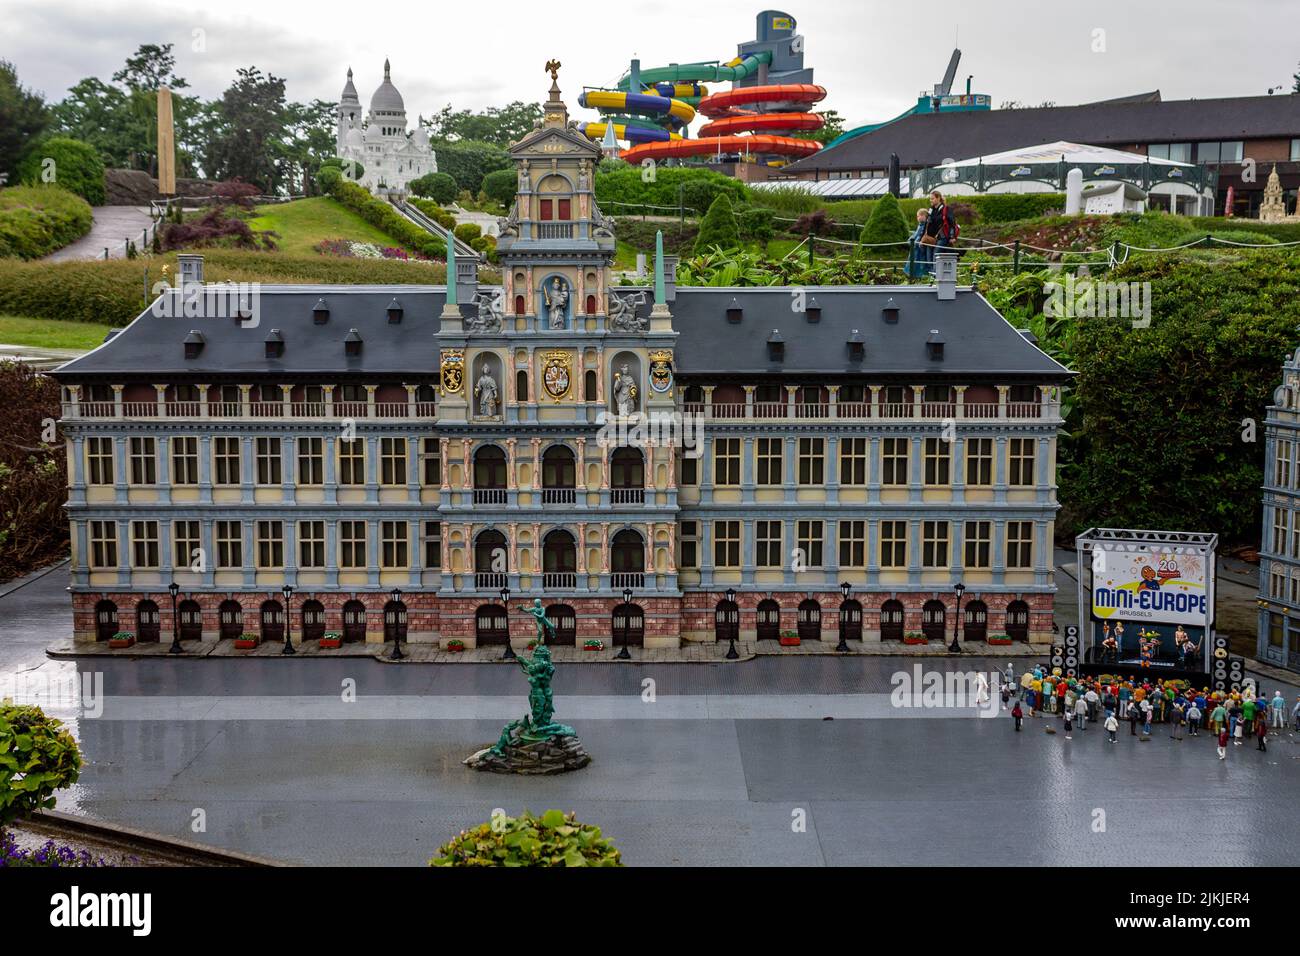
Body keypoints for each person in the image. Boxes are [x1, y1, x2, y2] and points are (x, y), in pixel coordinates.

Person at [906, 207, 931, 278]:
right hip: (915, 245)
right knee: (914, 261)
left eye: (918, 216)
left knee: (918, 261)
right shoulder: (920, 225)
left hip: (918, 247)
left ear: (923, 216)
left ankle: (917, 276)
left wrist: (912, 241)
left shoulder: (923, 226)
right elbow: (915, 234)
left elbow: (919, 235)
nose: (917, 218)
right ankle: (913, 275)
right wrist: (910, 240)